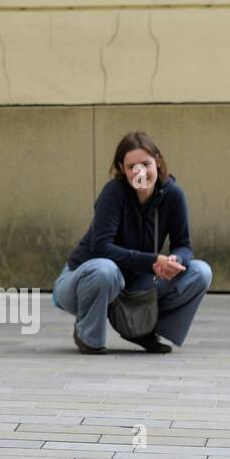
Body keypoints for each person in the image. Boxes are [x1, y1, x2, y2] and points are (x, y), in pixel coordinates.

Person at [53, 131, 213, 354]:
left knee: (201, 272)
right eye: (131, 167)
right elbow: (101, 249)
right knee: (104, 270)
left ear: (157, 160)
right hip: (84, 281)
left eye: (146, 164)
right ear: (121, 168)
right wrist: (153, 261)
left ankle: (144, 330)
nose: (140, 172)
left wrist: (175, 260)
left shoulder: (173, 195)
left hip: (136, 284)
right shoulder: (113, 194)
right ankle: (88, 337)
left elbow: (184, 244)